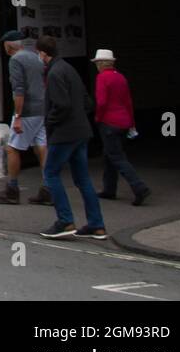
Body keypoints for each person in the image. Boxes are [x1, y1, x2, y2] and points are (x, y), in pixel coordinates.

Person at [35, 35, 105, 240]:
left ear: (43, 53)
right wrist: (79, 118)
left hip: (64, 133)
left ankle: (65, 221)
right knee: (83, 179)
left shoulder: (55, 73)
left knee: (51, 173)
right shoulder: (70, 69)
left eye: (38, 52)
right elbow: (87, 102)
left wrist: (50, 123)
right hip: (81, 131)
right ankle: (96, 225)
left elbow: (62, 105)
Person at [0, 31, 51, 205]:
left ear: (9, 45)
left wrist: (17, 116)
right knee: (42, 147)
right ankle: (49, 188)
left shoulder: (16, 60)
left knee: (12, 149)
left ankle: (12, 189)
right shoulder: (35, 56)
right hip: (42, 108)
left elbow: (19, 90)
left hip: (27, 111)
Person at [93, 48, 150, 206]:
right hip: (124, 121)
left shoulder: (102, 78)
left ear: (100, 64)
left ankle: (139, 187)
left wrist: (98, 117)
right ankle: (109, 188)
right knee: (110, 154)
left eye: (97, 63)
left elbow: (102, 102)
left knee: (116, 157)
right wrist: (131, 122)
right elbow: (128, 102)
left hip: (109, 122)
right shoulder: (121, 77)